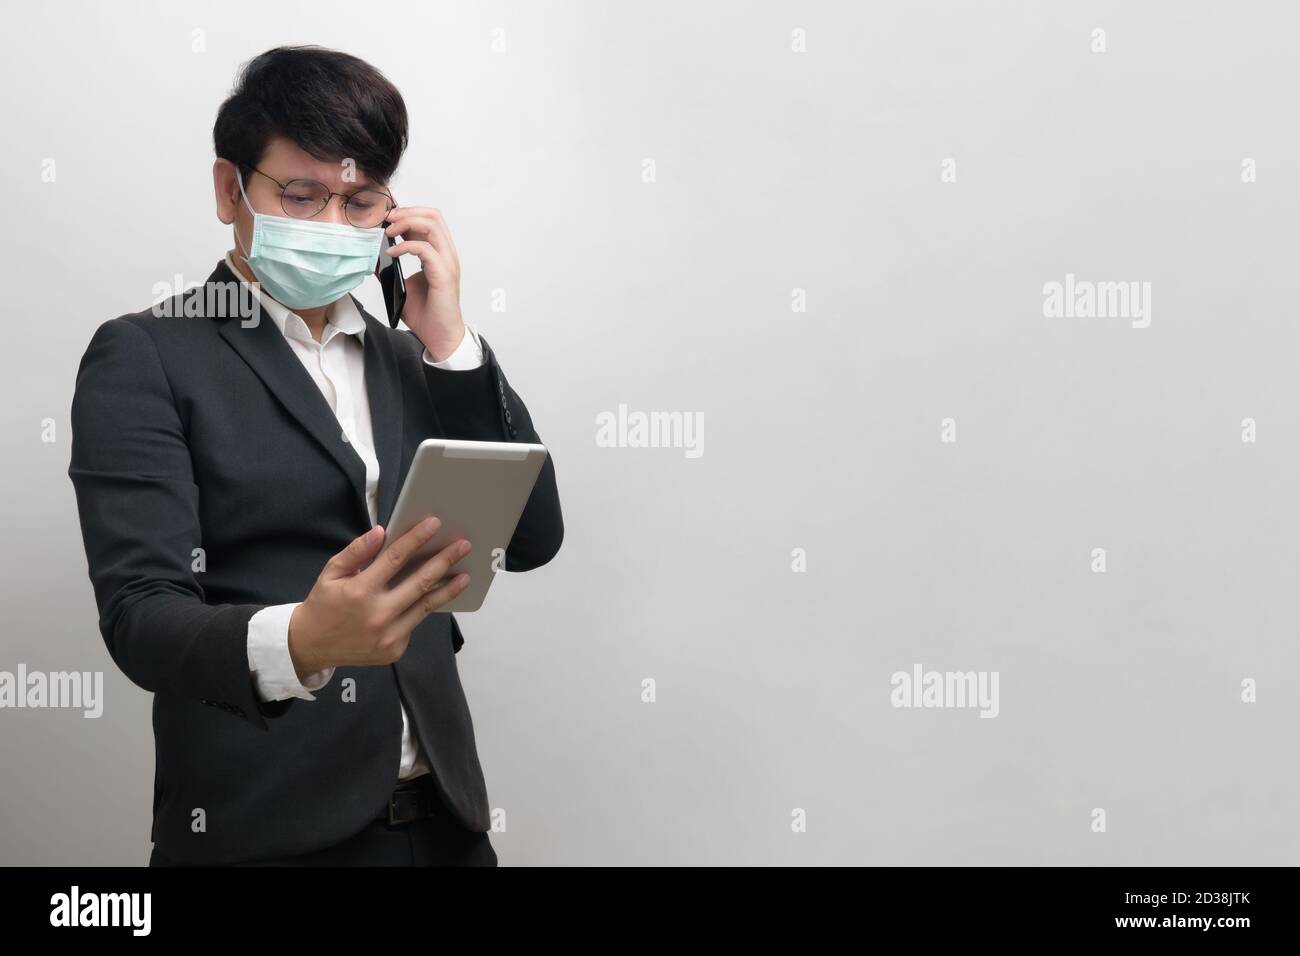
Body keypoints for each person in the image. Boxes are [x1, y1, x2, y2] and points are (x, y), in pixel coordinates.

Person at [66, 45, 563, 866]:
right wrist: (303, 640)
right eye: (301, 195)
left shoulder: (413, 357)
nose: (334, 225)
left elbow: (534, 538)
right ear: (231, 189)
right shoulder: (147, 355)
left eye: (361, 202)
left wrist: (452, 341)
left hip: (444, 827)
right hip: (266, 835)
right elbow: (141, 618)